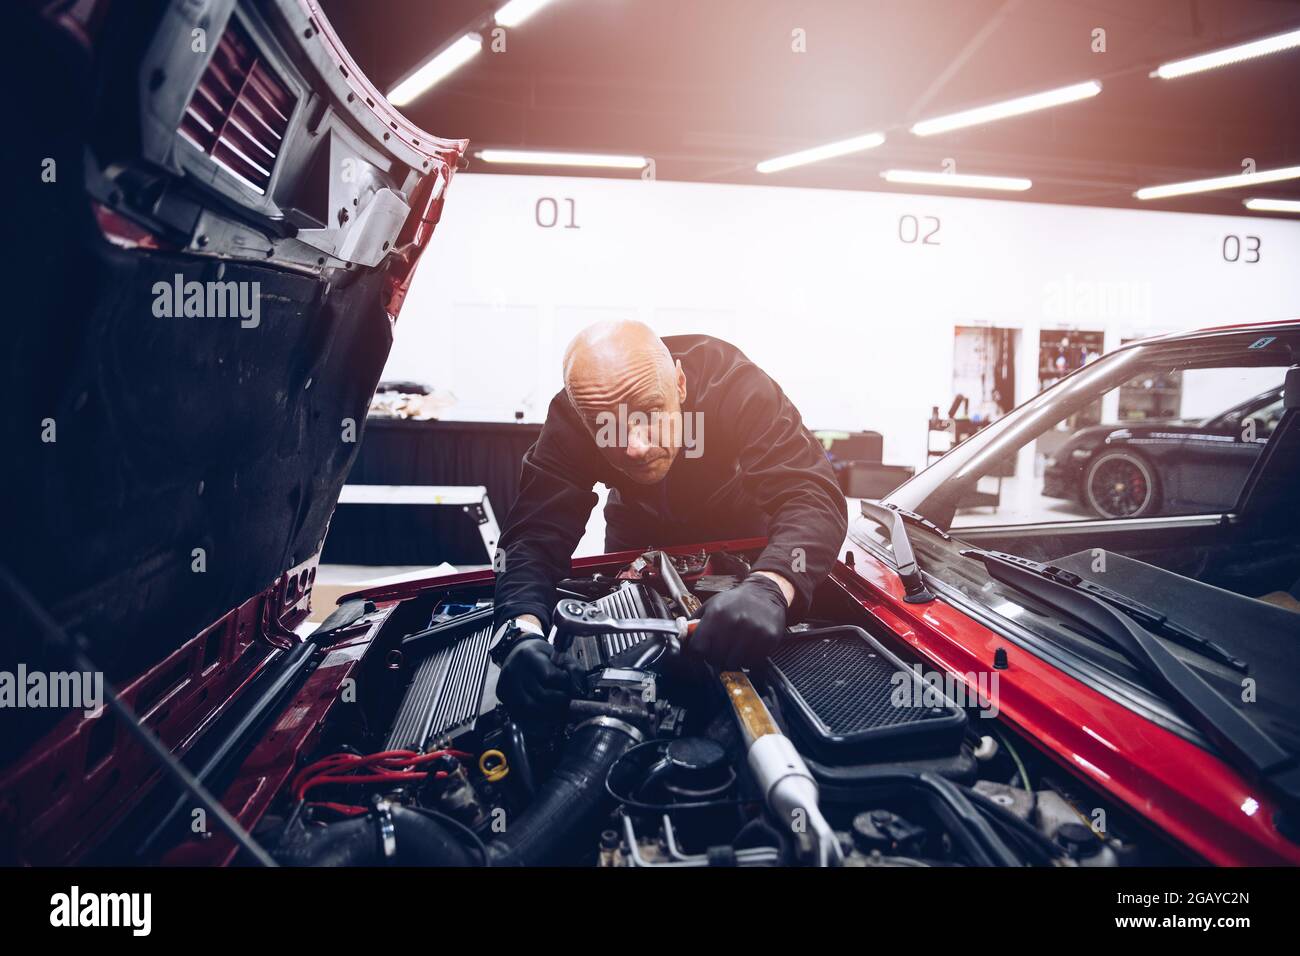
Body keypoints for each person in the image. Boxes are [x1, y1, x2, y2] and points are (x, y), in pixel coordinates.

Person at [489, 319, 848, 720]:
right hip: (636, 533)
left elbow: (810, 494)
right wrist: (520, 631)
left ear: (680, 383)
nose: (636, 448)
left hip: (737, 528)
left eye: (649, 413)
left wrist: (772, 585)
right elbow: (534, 533)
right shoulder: (578, 411)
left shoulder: (733, 384)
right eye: (610, 428)